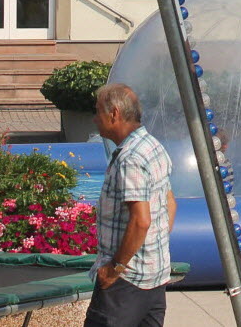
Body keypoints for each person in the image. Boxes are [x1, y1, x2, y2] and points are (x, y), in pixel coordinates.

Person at [87, 84, 177, 326]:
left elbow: (141, 220)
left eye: (98, 111)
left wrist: (115, 268)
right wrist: (152, 248)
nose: (95, 118)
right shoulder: (152, 146)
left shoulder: (130, 159)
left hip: (126, 283)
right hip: (155, 275)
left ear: (114, 114)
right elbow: (170, 203)